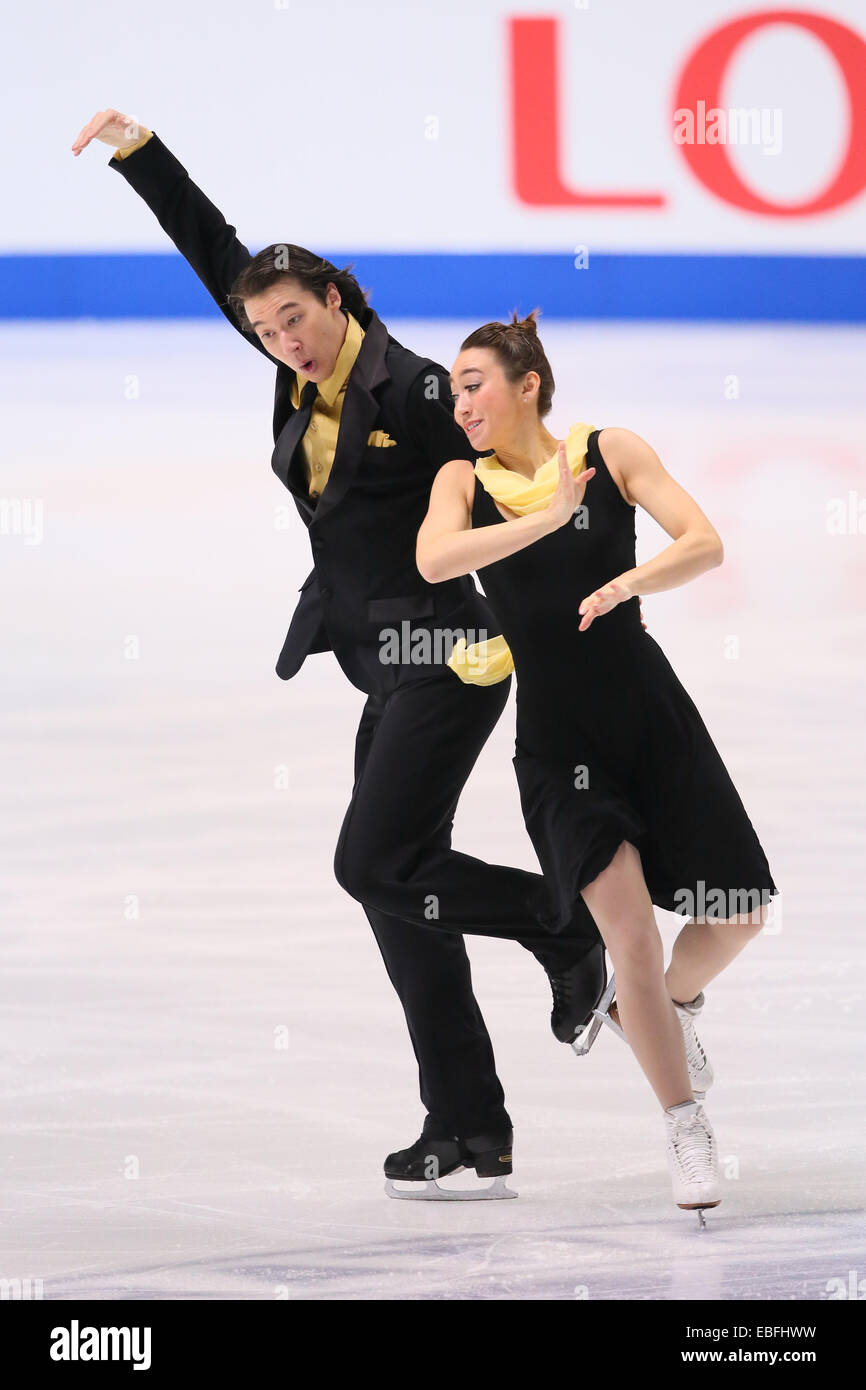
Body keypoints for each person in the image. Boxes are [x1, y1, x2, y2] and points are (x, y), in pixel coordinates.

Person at [70, 112, 607, 1199]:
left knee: (370, 864)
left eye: (297, 318)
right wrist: (140, 154)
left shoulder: (410, 391)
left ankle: (565, 926)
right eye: (265, 329)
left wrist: (562, 510)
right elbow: (213, 247)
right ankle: (467, 1124)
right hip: (382, 659)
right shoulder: (294, 364)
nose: (284, 340)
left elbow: (501, 462)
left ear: (337, 301)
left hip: (454, 657)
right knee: (397, 892)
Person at [415, 312, 778, 1219]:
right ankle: (684, 1125)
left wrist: (627, 582)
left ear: (527, 382)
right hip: (558, 747)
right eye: (453, 388)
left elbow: (703, 541)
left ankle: (646, 1011)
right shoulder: (463, 481)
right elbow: (434, 561)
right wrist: (542, 519)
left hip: (652, 720)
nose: (458, 403)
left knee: (739, 914)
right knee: (633, 940)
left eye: (473, 383)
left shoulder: (609, 450)